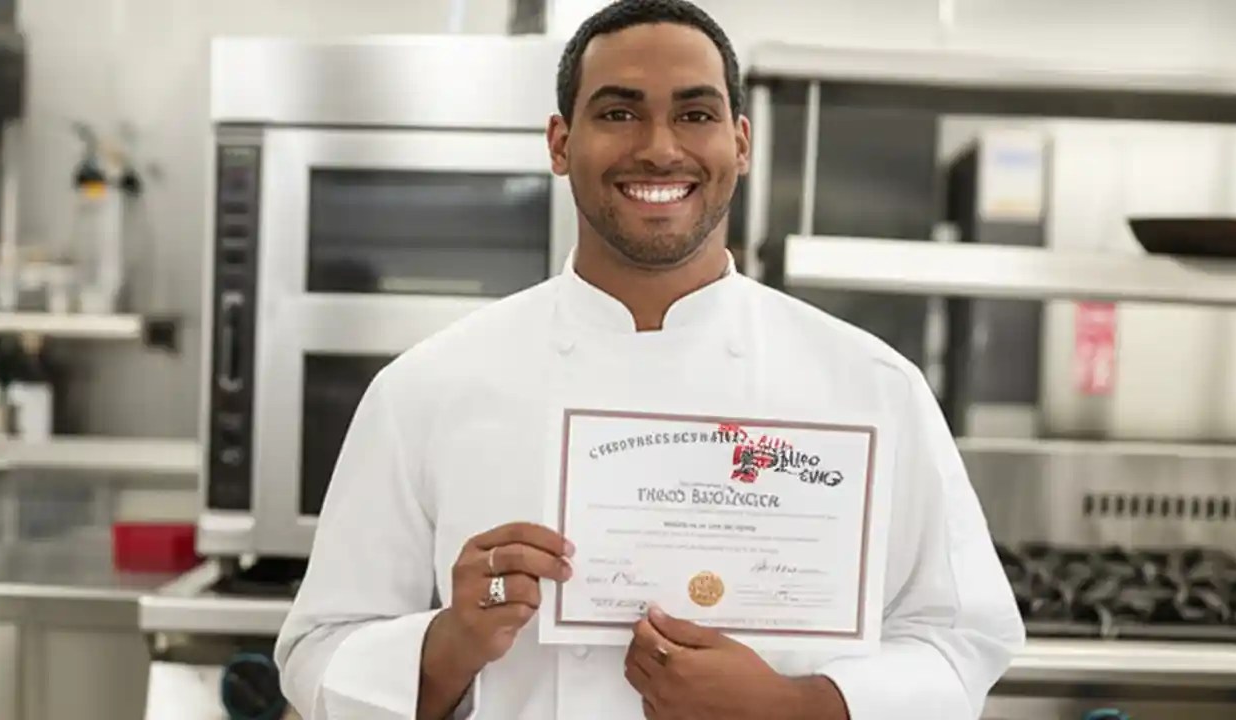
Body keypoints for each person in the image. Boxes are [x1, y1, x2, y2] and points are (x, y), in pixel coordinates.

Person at [274, 0, 1025, 718]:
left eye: (694, 114)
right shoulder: (424, 391)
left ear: (740, 141)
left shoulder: (871, 388)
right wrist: (448, 644)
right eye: (618, 112)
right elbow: (318, 654)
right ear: (561, 143)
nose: (660, 146)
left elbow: (961, 638)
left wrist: (797, 709)